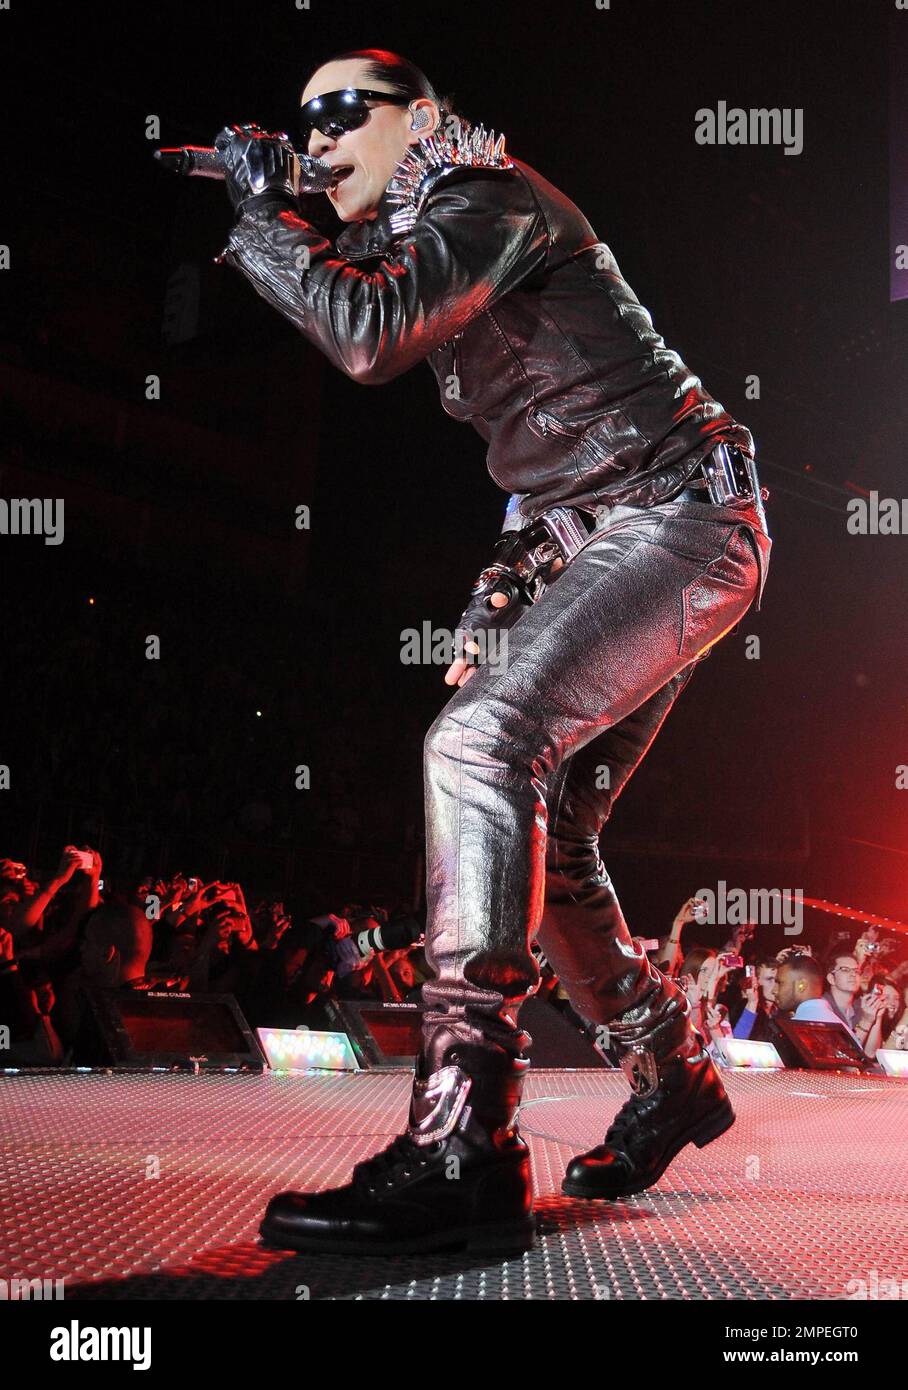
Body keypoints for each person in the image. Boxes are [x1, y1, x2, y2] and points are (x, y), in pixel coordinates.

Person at [213, 47, 772, 1255]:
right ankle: (672, 1074)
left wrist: (263, 220)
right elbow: (549, 446)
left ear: (422, 114)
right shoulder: (448, 220)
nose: (311, 136)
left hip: (675, 520)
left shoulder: (487, 192)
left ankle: (464, 1139)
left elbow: (365, 335)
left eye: (339, 111)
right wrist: (504, 584)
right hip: (628, 531)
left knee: (477, 743)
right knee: (548, 827)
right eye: (297, 122)